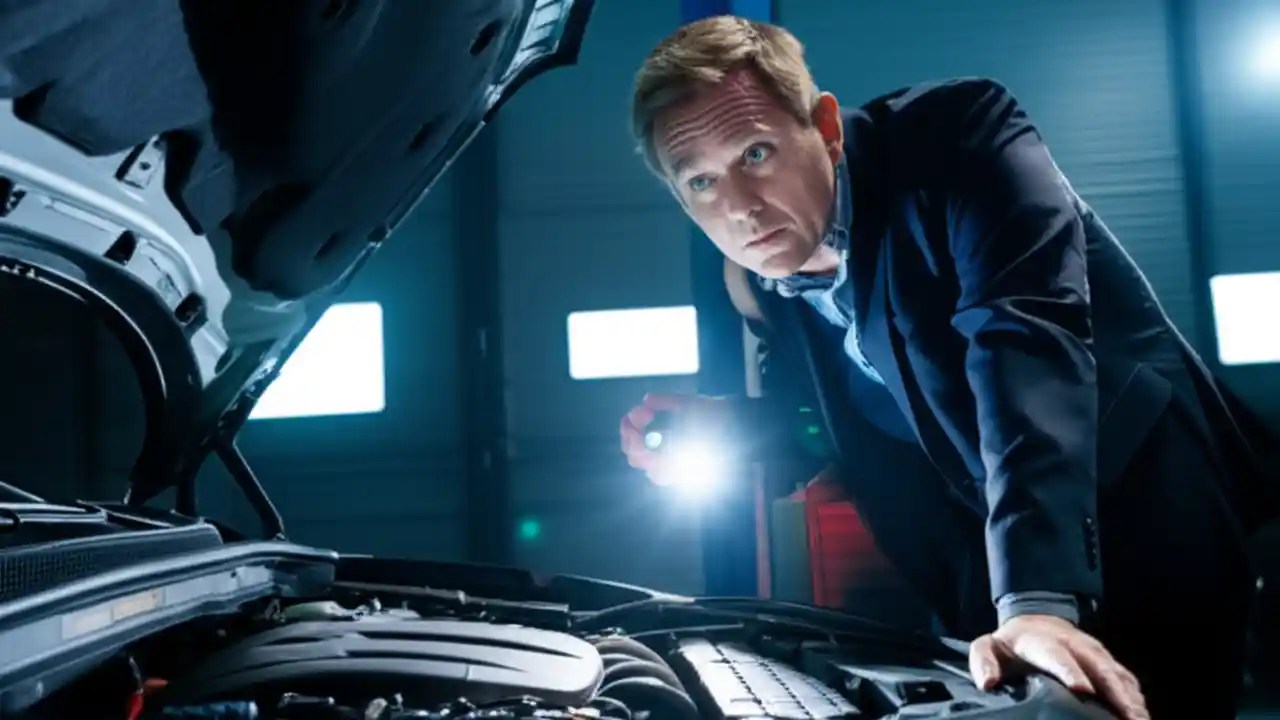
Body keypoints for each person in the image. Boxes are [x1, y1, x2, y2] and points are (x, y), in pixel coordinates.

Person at [617, 16, 1277, 720]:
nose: (740, 208)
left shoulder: (959, 136)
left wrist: (1038, 599)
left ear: (827, 127)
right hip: (979, 567)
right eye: (702, 181)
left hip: (1136, 515)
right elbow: (820, 421)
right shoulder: (758, 281)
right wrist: (733, 428)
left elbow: (1023, 339)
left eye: (755, 152)